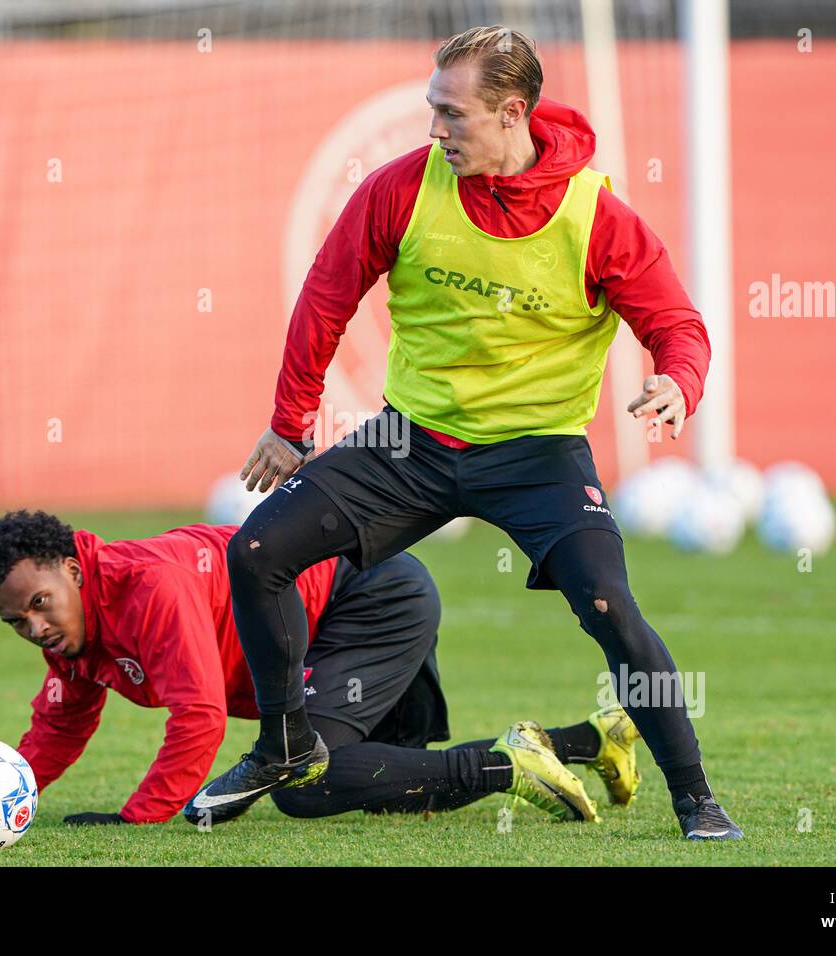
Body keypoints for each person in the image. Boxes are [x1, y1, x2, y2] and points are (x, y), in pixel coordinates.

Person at [190, 25, 741, 840]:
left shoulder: (597, 216)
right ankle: (280, 744)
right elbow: (326, 297)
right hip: (408, 443)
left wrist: (677, 382)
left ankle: (695, 797)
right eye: (431, 110)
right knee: (257, 552)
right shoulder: (401, 189)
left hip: (538, 453)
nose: (436, 130)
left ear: (512, 112)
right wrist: (289, 425)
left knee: (610, 607)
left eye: (452, 114)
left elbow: (679, 325)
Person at [0, 509, 642, 826]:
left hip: (366, 600)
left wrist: (140, 819)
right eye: (18, 622)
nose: (36, 628)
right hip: (330, 630)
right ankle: (588, 739)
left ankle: (509, 765)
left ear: (74, 569)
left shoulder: (147, 587)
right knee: (382, 777)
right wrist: (8, 797)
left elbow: (199, 716)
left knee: (302, 781)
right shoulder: (74, 634)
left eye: (40, 605)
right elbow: (61, 725)